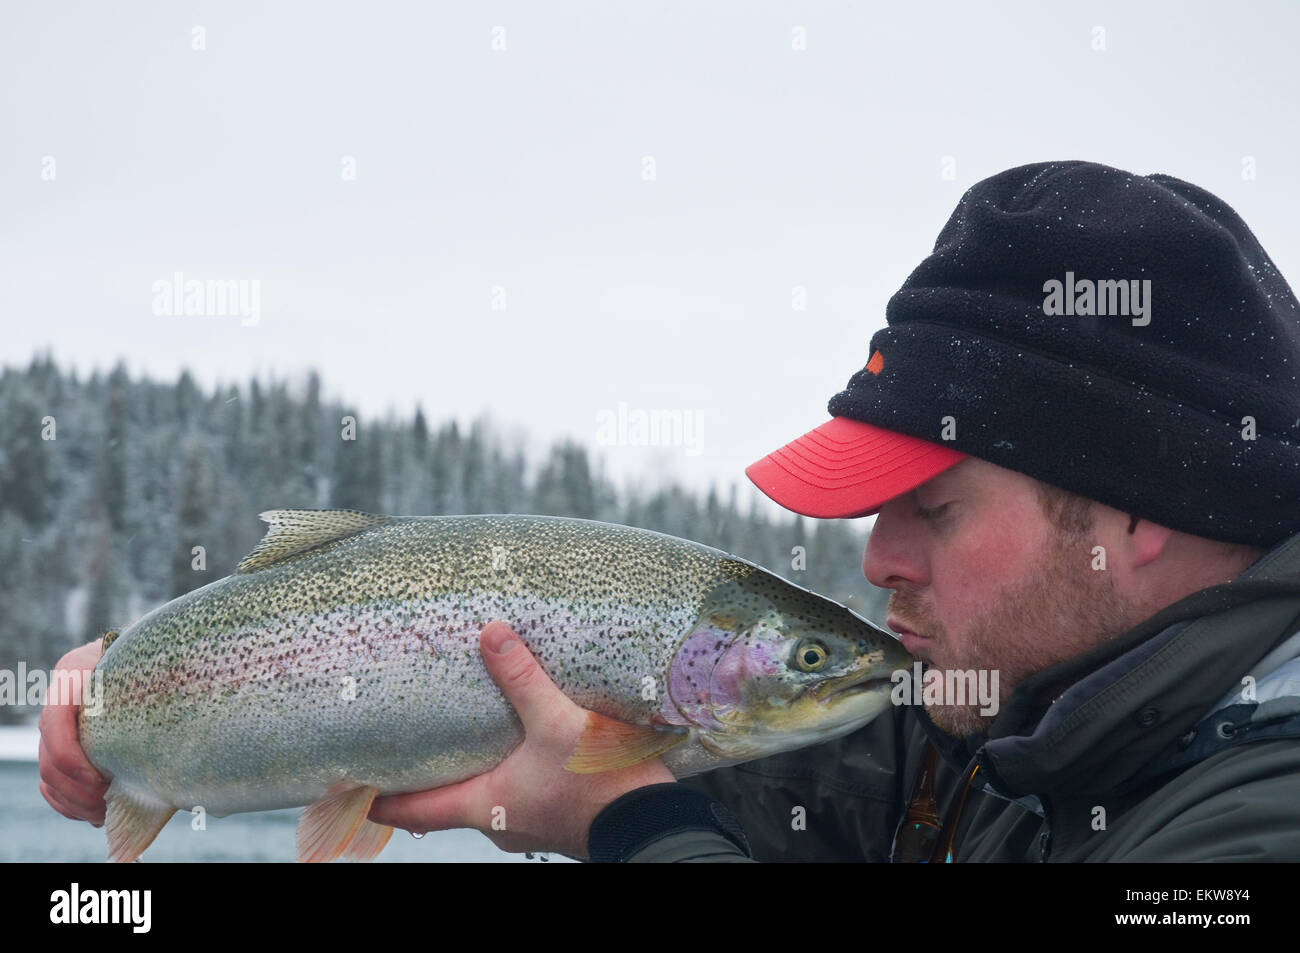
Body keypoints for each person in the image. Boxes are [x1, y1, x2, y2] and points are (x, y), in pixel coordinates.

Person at [41, 160, 1300, 861]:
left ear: (1133, 517)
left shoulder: (1254, 813)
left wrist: (637, 825)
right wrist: (160, 679)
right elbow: (819, 767)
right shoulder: (1006, 724)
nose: (879, 560)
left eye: (934, 509)